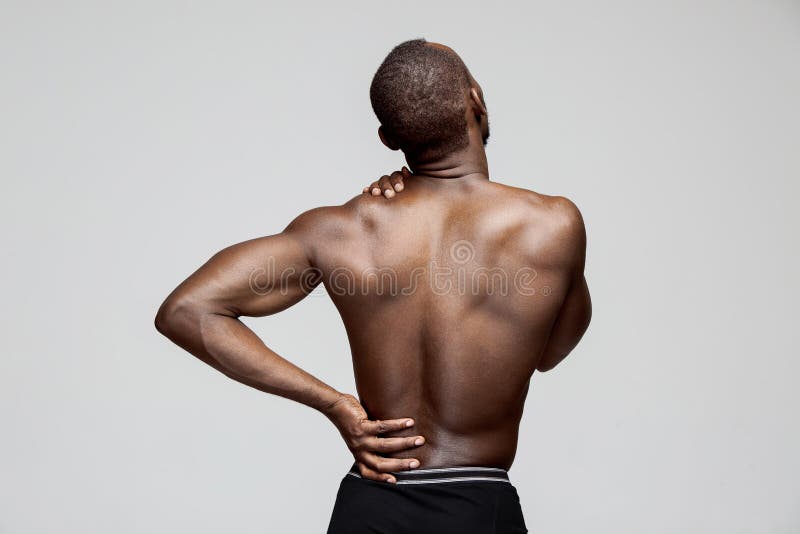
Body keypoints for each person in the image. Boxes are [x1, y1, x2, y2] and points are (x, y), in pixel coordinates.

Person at [155, 38, 591, 534]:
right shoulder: (552, 226)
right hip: (476, 507)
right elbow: (549, 352)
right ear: (476, 98)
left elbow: (186, 310)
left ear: (387, 138)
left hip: (371, 507)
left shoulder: (340, 232)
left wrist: (335, 404)